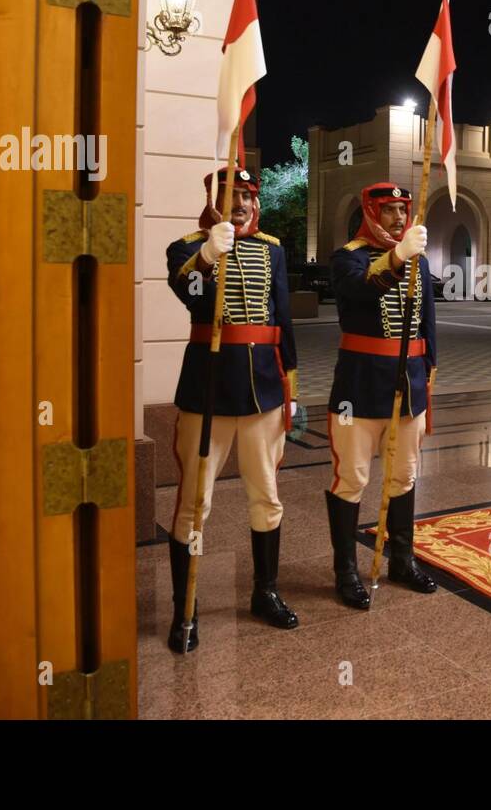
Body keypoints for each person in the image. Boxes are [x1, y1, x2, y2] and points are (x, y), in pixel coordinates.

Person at [163, 167, 300, 652]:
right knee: (195, 502)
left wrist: (291, 383)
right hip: (209, 391)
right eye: (229, 194)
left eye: (246, 195)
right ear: (212, 197)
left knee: (266, 496)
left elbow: (281, 319)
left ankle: (265, 592)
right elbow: (188, 294)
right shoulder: (185, 247)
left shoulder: (273, 248)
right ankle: (186, 608)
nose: (239, 202)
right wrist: (205, 256)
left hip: (263, 388)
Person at [324, 182, 438, 609]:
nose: (397, 218)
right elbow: (359, 292)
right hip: (358, 388)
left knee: (404, 475)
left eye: (402, 210)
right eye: (388, 209)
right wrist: (398, 257)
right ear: (370, 211)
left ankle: (402, 560)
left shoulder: (418, 261)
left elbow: (428, 324)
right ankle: (346, 571)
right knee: (351, 478)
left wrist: (428, 376)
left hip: (408, 384)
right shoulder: (347, 257)